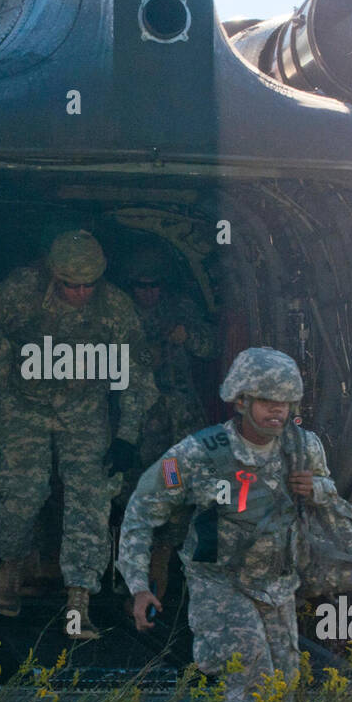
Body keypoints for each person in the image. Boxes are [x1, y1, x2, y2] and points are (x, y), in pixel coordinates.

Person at [118, 346, 352, 702]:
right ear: (241, 400)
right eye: (267, 400)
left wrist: (317, 489)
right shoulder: (198, 453)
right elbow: (142, 510)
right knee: (252, 680)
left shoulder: (303, 447)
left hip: (277, 587)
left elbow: (331, 496)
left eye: (285, 402)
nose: (278, 410)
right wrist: (137, 586)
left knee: (284, 688)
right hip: (220, 584)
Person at [0, 229, 157, 637]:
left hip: (83, 406)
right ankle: (11, 564)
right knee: (21, 493)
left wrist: (128, 436)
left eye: (88, 286)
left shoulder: (115, 307)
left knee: (91, 497)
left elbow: (138, 374)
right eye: (70, 285)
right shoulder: (20, 290)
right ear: (52, 275)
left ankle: (79, 601)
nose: (80, 293)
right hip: (20, 402)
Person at [118, 244, 217, 601]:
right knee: (131, 497)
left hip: (177, 426)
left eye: (155, 285)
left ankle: (159, 571)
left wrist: (187, 336)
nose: (149, 293)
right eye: (141, 286)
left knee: (175, 493)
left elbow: (210, 345)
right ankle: (129, 577)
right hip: (134, 424)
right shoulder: (118, 312)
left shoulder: (180, 310)